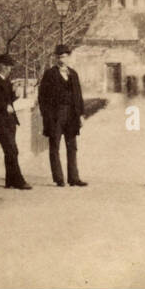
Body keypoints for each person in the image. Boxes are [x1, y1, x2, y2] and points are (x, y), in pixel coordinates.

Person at [38, 44, 87, 187]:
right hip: (55, 116)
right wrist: (47, 116)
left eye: (64, 56)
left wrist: (81, 115)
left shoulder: (73, 74)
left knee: (72, 146)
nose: (62, 60)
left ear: (68, 57)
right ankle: (59, 178)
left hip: (72, 115)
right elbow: (42, 97)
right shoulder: (50, 74)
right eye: (59, 57)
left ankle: (74, 178)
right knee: (54, 147)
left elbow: (78, 96)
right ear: (55, 58)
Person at [0, 52, 30, 190]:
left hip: (9, 121)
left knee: (11, 150)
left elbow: (7, 100)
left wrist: (14, 94)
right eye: (7, 66)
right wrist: (4, 106)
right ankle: (18, 181)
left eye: (10, 67)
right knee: (12, 150)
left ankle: (10, 181)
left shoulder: (5, 81)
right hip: (0, 121)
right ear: (0, 66)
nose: (10, 69)